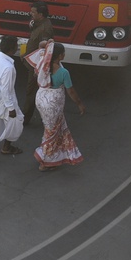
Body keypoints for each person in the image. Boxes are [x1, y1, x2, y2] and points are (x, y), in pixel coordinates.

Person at [28, 41, 85, 171]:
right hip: (53, 105)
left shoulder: (43, 63)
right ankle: (45, 162)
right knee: (52, 133)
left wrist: (48, 43)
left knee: (49, 128)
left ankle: (51, 156)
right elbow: (71, 91)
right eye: (63, 53)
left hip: (41, 100)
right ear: (59, 56)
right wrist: (80, 104)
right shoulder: (64, 72)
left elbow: (41, 45)